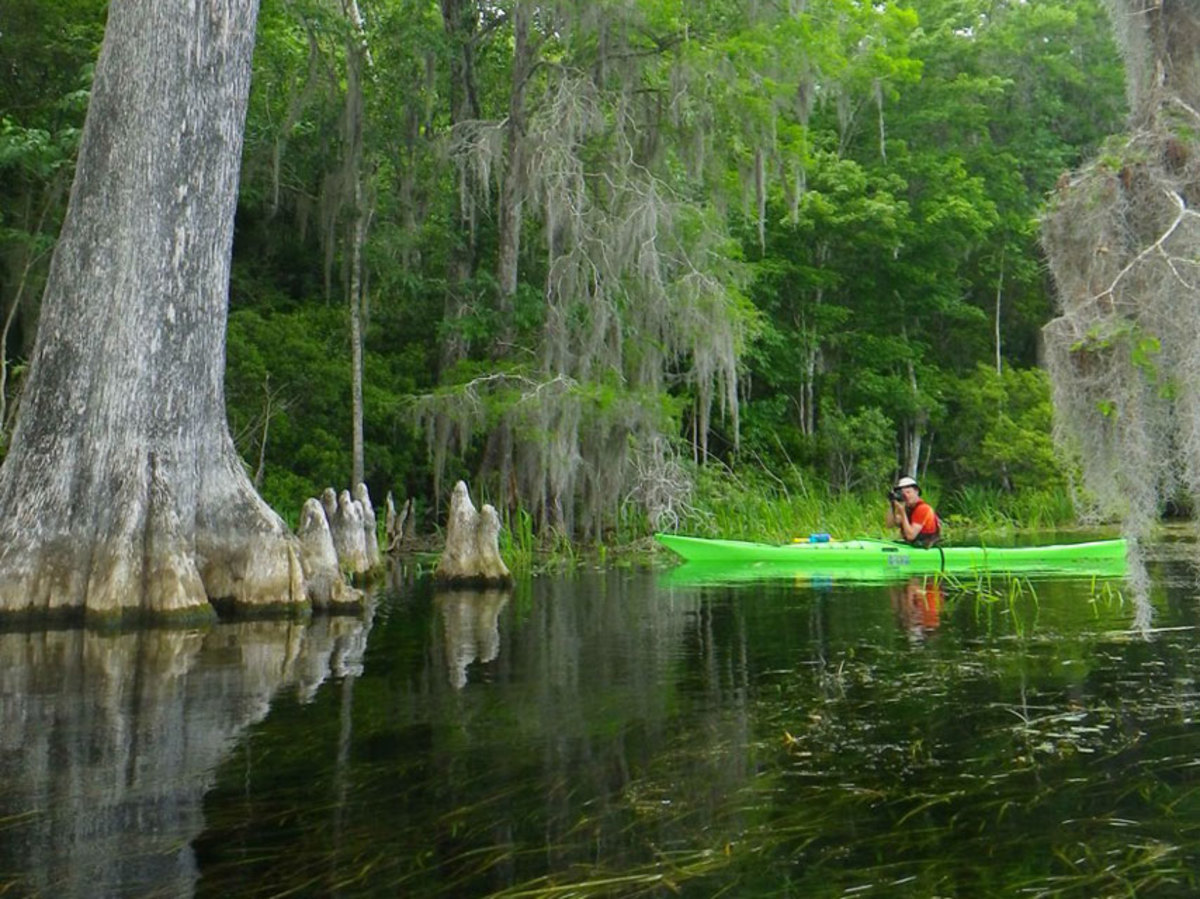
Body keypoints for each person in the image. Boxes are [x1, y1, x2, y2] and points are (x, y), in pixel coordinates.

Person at [887, 476, 941, 547]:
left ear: (916, 492)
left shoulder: (923, 509)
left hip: (925, 547)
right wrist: (892, 505)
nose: (906, 496)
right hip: (914, 546)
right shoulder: (908, 508)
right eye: (903, 493)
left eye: (908, 492)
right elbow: (890, 524)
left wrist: (902, 513)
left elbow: (910, 535)